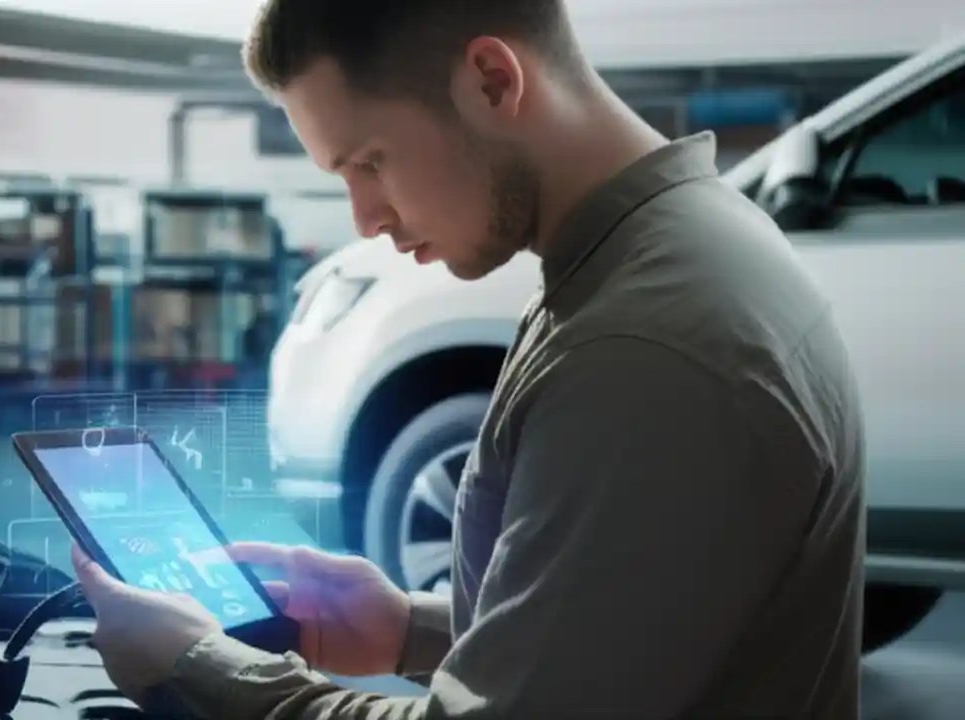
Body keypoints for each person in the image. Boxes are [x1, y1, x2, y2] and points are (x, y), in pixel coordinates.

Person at [69, 0, 867, 717]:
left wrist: (201, 669)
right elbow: (643, 634)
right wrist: (408, 629)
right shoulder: (679, 245)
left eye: (370, 161)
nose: (365, 218)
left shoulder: (640, 347)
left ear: (492, 80)